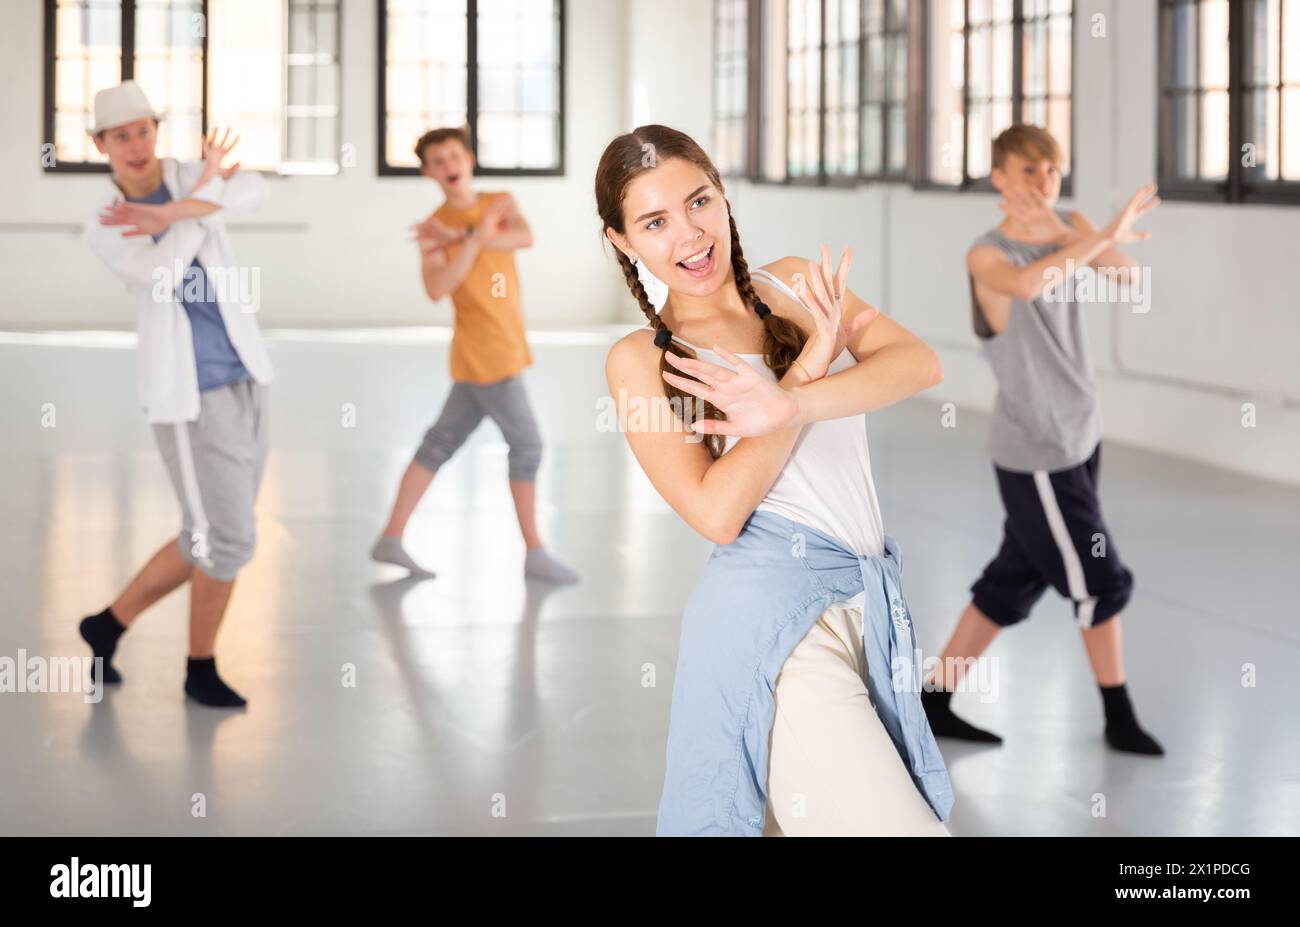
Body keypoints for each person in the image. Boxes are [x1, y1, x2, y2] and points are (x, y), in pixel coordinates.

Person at [598, 125, 952, 836]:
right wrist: (809, 368)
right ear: (622, 242)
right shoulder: (641, 359)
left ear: (723, 195)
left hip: (867, 604)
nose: (690, 235)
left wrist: (792, 400)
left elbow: (918, 362)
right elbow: (718, 513)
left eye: (699, 201)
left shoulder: (793, 282)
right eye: (655, 222)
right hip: (774, 627)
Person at [920, 124, 1165, 756]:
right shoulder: (986, 254)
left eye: (1051, 171)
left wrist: (1086, 234)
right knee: (1100, 581)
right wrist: (1096, 235)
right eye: (1028, 171)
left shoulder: (1071, 231)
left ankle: (933, 700)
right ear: (999, 177)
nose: (1042, 182)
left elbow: (1131, 281)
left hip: (1080, 436)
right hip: (1036, 454)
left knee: (1014, 576)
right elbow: (1031, 286)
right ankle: (1119, 715)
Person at [78, 80, 272, 708]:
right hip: (188, 396)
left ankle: (106, 625)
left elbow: (254, 189)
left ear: (156, 130)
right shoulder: (105, 223)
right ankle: (199, 667)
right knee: (228, 539)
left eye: (143, 130)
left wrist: (178, 204)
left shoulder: (191, 172)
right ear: (99, 143)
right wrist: (189, 205)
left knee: (204, 533)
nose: (135, 145)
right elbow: (162, 272)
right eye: (119, 135)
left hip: (247, 374)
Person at [371, 126, 578, 585]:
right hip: (487, 354)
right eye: (437, 161)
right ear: (428, 172)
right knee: (528, 446)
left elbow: (523, 237)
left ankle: (390, 537)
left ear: (468, 159)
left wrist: (466, 234)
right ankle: (535, 552)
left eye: (453, 156)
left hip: (496, 348)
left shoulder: (498, 201)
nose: (448, 166)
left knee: (439, 443)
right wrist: (472, 237)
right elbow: (437, 287)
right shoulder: (431, 228)